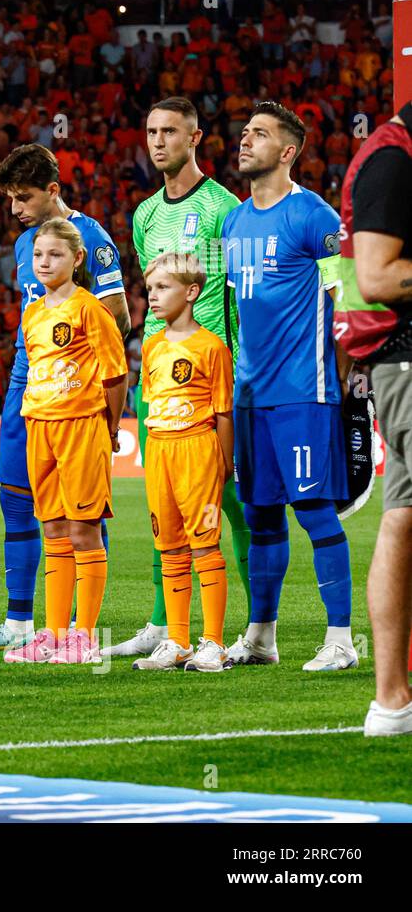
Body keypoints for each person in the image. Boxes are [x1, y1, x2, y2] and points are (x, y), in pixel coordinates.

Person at [106, 97, 248, 660]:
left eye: (170, 131)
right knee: (165, 511)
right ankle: (169, 627)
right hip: (158, 381)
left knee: (230, 507)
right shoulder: (144, 215)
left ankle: (255, 629)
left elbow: (237, 294)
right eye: (151, 131)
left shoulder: (222, 208)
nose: (158, 140)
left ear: (195, 138)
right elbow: (152, 294)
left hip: (211, 376)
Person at [222, 102, 357, 672]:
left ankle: (342, 640)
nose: (246, 140)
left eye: (260, 134)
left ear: (288, 151)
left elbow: (347, 297)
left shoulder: (314, 217)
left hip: (304, 389)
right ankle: (261, 636)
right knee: (260, 514)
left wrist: (345, 379)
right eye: (246, 132)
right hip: (250, 394)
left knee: (315, 510)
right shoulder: (234, 221)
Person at [0, 143, 130, 653]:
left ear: (53, 189)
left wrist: (80, 384)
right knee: (20, 498)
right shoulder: (28, 244)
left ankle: (81, 627)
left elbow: (118, 318)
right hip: (30, 387)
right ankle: (28, 622)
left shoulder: (91, 238)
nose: (16, 208)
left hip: (76, 397)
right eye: (9, 199)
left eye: (24, 197)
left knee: (82, 513)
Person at [4, 220, 127, 665]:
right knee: (52, 529)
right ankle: (53, 633)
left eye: (55, 255)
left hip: (81, 426)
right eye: (39, 256)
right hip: (40, 425)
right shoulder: (33, 314)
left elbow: (115, 374)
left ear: (77, 260)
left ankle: (85, 635)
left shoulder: (90, 309)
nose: (45, 263)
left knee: (83, 529)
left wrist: (109, 427)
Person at [341, 99, 412, 733]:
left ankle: (393, 701)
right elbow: (378, 274)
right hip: (406, 359)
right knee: (404, 514)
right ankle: (389, 698)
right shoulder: (392, 158)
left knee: (406, 512)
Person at [132, 253, 234, 672]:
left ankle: (214, 642)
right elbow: (149, 402)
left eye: (162, 288)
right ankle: (176, 641)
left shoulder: (212, 347)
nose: (152, 297)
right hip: (160, 451)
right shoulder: (152, 345)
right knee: (169, 547)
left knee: (204, 546)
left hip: (197, 450)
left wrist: (225, 464)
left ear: (191, 292)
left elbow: (224, 412)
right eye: (150, 288)